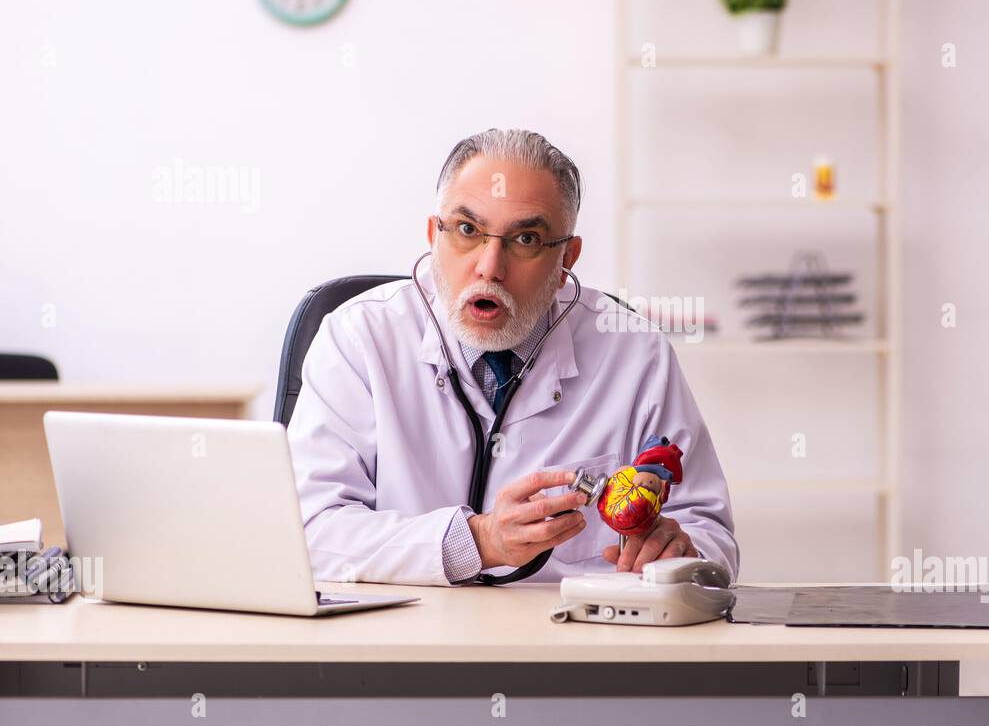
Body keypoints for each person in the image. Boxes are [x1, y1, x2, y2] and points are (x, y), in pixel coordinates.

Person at [286, 128, 739, 586]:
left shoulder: (635, 354)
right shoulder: (360, 338)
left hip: (573, 646)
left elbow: (711, 538)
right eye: (467, 231)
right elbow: (308, 533)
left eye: (525, 240)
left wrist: (681, 551)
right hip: (402, 643)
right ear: (432, 236)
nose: (489, 267)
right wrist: (478, 542)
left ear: (567, 259)